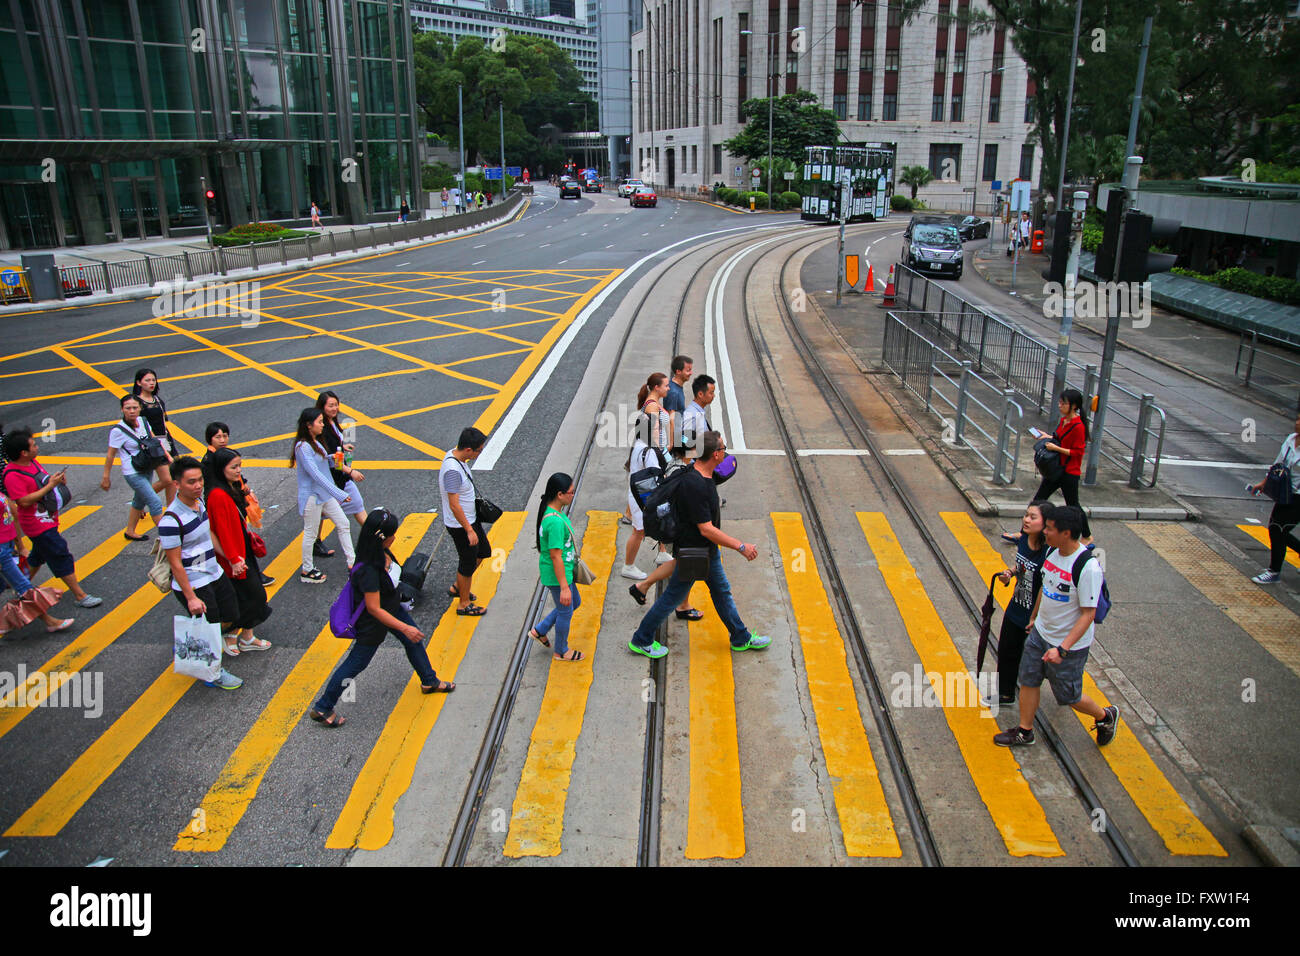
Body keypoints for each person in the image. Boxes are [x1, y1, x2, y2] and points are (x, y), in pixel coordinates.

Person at [628, 432, 770, 658]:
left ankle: (740, 637)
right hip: (694, 551)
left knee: (722, 593)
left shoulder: (698, 474)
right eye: (723, 448)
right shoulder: (697, 486)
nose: (725, 452)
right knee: (673, 597)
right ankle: (641, 639)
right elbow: (706, 528)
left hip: (703, 550)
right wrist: (741, 546)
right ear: (715, 454)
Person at [310, 509, 453, 727]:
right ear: (382, 538)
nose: (395, 537)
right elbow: (374, 609)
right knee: (356, 663)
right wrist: (404, 628)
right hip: (374, 622)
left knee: (414, 640)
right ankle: (323, 706)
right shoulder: (368, 569)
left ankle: (429, 681)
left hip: (391, 608)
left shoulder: (377, 553)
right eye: (393, 534)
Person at [993, 505, 1118, 748]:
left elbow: (1088, 614)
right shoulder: (1052, 553)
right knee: (1028, 679)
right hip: (1040, 633)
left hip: (1068, 646)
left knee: (1069, 697)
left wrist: (1062, 649)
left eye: (1050, 529)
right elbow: (1045, 586)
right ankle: (1025, 731)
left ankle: (1105, 716)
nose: (1046, 533)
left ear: (1066, 533)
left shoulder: (1087, 567)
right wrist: (1035, 617)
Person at [159, 457, 243, 690]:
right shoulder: (171, 520)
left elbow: (208, 537)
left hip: (214, 573)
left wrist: (229, 558)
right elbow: (175, 563)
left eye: (200, 480)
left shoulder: (200, 504)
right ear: (177, 484)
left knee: (232, 613)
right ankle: (213, 672)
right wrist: (191, 597)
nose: (198, 485)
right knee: (209, 627)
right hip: (195, 582)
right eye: (191, 482)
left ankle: (202, 647)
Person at [1, 428, 101, 608]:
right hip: (36, 525)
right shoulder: (12, 475)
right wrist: (50, 486)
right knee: (59, 553)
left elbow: (41, 481)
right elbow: (22, 501)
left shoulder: (33, 463)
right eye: (33, 445)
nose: (37, 447)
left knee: (38, 555)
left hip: (48, 518)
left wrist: (54, 481)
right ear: (23, 453)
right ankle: (80, 595)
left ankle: (22, 585)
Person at [205, 448, 272, 656]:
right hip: (232, 555)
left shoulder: (230, 487)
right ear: (220, 468)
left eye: (239, 466)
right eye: (233, 467)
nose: (238, 470)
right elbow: (221, 531)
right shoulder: (217, 495)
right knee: (254, 595)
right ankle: (231, 633)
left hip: (241, 549)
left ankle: (246, 636)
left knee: (247, 595)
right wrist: (233, 558)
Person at [987, 501, 1051, 707]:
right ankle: (1006, 693)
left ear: (1046, 523)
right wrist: (1010, 572)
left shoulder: (1049, 552)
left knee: (1037, 663)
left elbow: (1048, 587)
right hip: (1017, 607)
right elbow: (1021, 565)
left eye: (1033, 517)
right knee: (1006, 650)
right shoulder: (1023, 540)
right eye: (1026, 515)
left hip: (1036, 616)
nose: (1026, 520)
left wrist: (1035, 617)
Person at [1007, 388, 1091, 544]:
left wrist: (1056, 449)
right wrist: (1046, 437)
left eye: (1063, 403)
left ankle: (1087, 536)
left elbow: (1078, 452)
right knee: (1039, 500)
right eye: (1060, 402)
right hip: (1056, 470)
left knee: (1073, 505)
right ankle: (1023, 534)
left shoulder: (1078, 426)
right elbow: (1060, 439)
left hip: (1068, 472)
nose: (1060, 405)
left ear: (1073, 406)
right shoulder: (1064, 420)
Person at [290, 406, 356, 584]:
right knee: (311, 534)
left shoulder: (315, 442)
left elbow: (323, 460)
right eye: (319, 422)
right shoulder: (303, 447)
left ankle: (352, 562)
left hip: (324, 494)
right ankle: (307, 570)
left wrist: (336, 455)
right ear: (308, 425)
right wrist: (339, 493)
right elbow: (316, 474)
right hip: (312, 497)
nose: (322, 425)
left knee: (343, 524)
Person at [201, 422, 272, 586]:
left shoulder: (225, 455)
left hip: (237, 506)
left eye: (225, 435)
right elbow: (222, 531)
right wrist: (233, 559)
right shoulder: (210, 464)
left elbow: (237, 478)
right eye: (218, 436)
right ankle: (248, 573)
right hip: (228, 508)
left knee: (243, 539)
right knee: (236, 540)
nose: (222, 439)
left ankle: (252, 573)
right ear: (209, 439)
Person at [528, 473, 585, 662]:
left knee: (573, 603)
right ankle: (561, 650)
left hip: (563, 572)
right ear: (560, 494)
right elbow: (555, 555)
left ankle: (540, 630)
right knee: (565, 612)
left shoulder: (555, 513)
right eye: (571, 492)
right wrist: (563, 587)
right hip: (557, 575)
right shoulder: (554, 522)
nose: (573, 495)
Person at [0, 487, 71, 636]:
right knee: (24, 587)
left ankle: (4, 622)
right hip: (2, 552)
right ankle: (50, 622)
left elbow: (12, 514)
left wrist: (19, 545)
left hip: (7, 545)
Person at [101, 394, 170, 541]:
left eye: (134, 407)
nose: (131, 411)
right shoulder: (117, 431)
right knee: (155, 502)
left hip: (147, 467)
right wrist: (106, 477)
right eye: (128, 408)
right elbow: (110, 455)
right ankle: (170, 536)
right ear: (122, 409)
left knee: (139, 501)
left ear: (140, 408)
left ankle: (130, 531)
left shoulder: (143, 421)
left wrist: (167, 456)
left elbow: (154, 441)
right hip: (132, 472)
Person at [439, 427, 492, 616]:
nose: (480, 453)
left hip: (470, 520)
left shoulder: (456, 457)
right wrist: (469, 530)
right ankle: (463, 603)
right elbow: (454, 505)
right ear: (468, 450)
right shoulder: (453, 470)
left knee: (484, 551)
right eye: (479, 450)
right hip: (461, 525)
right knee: (467, 562)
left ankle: (459, 586)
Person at [1248, 411, 1300, 585]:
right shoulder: (1291, 439)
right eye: (1298, 419)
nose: (1297, 423)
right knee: (1278, 529)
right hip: (1285, 493)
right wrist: (1264, 483)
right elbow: (1278, 465)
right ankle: (1274, 569)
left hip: (1298, 497)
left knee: (1277, 529)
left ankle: (1274, 571)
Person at [314, 390, 367, 558]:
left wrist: (343, 448)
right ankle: (373, 539)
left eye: (336, 404)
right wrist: (350, 471)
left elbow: (333, 449)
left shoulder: (331, 423)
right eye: (331, 405)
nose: (334, 408)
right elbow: (330, 458)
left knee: (354, 505)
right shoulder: (323, 429)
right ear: (322, 407)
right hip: (334, 478)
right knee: (324, 512)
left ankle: (374, 538)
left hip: (336, 477)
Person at [132, 367, 178, 503]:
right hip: (152, 445)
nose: (151, 383)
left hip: (166, 440)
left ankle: (171, 510)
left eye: (153, 380)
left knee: (174, 477)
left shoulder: (158, 400)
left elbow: (164, 421)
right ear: (139, 383)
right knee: (166, 479)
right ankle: (139, 499)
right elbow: (137, 427)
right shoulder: (137, 403)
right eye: (147, 380)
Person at [681, 374, 716, 460]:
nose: (713, 396)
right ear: (700, 394)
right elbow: (683, 442)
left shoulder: (698, 412)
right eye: (711, 393)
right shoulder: (691, 415)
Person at [664, 355, 692, 429]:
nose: (691, 373)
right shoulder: (673, 393)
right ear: (678, 371)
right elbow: (671, 423)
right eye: (688, 370)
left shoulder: (674, 386)